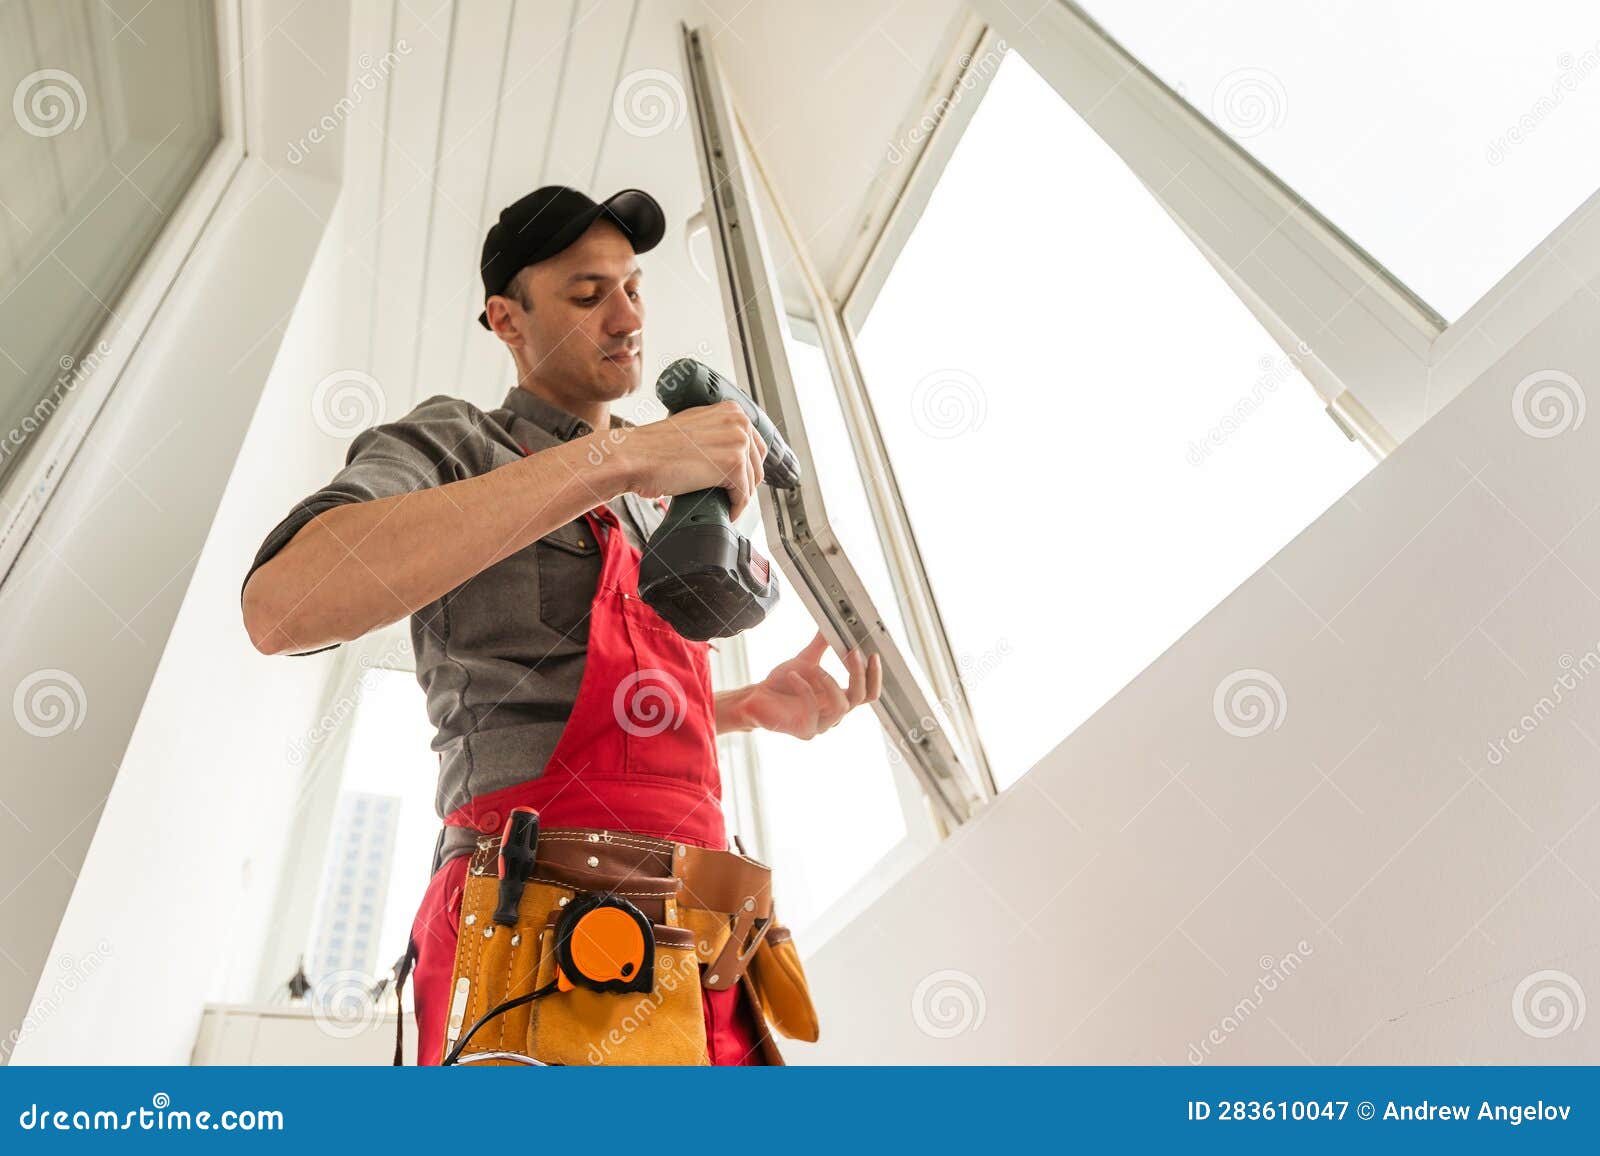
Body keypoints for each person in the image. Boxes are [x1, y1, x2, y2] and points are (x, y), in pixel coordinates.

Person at [240, 186, 880, 1065]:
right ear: (508, 320)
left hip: (700, 944)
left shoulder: (658, 499)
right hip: (537, 933)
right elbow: (285, 605)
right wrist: (612, 457)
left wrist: (732, 708)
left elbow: (595, 699)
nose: (627, 317)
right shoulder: (459, 444)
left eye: (634, 288)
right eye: (588, 295)